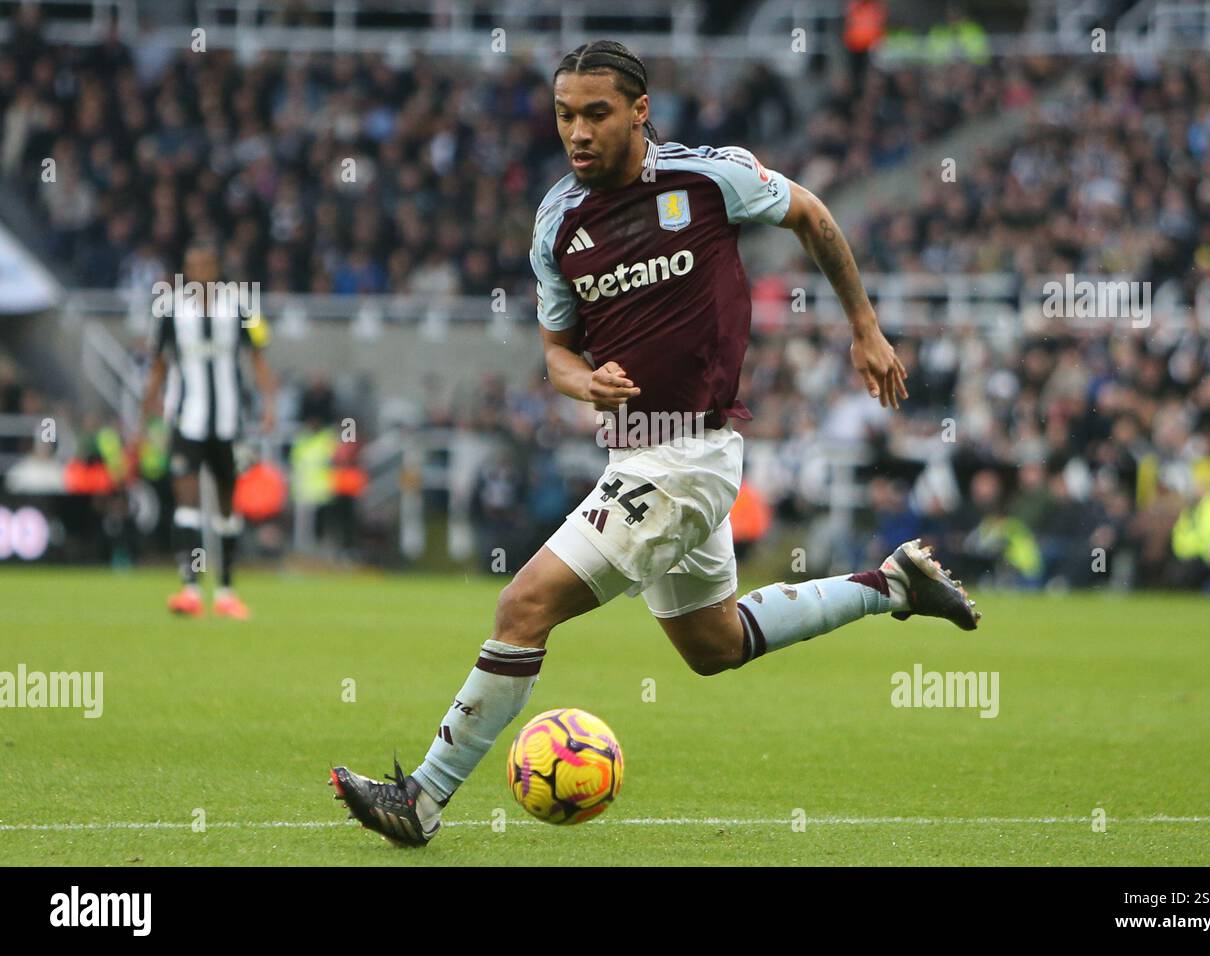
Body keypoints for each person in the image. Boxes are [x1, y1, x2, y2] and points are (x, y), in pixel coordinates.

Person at [331, 40, 979, 847]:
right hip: (635, 454)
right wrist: (586, 384)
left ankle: (421, 799)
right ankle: (891, 585)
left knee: (523, 606)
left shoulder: (709, 179)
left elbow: (811, 213)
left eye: (596, 114)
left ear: (640, 112)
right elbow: (556, 354)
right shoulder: (557, 222)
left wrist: (865, 328)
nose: (578, 132)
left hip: (688, 458)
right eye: (565, 115)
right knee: (714, 645)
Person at [139, 242, 275, 619]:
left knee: (227, 509)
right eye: (193, 264)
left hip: (230, 423)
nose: (200, 271)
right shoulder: (168, 307)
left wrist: (269, 405)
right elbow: (158, 364)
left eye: (206, 264)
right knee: (188, 506)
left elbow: (258, 357)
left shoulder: (242, 304)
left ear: (217, 267)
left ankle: (227, 590)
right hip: (186, 421)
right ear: (186, 269)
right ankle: (190, 588)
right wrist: (146, 411)